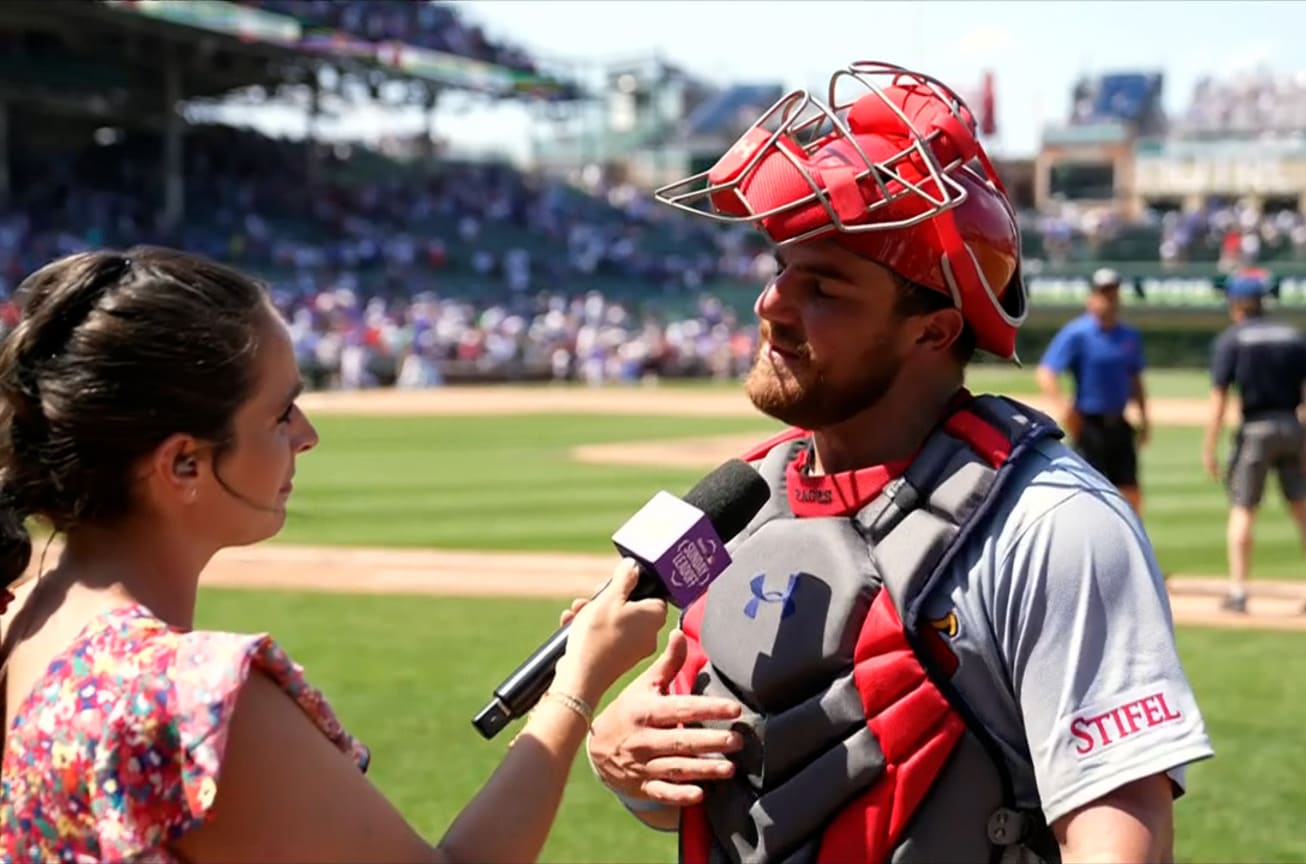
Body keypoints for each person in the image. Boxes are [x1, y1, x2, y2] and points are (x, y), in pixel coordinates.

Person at [588, 61, 1214, 864]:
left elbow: (1118, 831)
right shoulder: (742, 501)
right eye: (782, 270)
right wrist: (621, 753)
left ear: (933, 331)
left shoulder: (1051, 526)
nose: (771, 305)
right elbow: (762, 775)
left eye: (825, 287)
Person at [0, 246, 671, 861]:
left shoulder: (19, 627)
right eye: (281, 413)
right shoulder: (183, 697)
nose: (308, 434)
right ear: (183, 464)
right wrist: (576, 686)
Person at [1201, 269, 1306, 614]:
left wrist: (1209, 445)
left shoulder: (1232, 339)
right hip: (1292, 425)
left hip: (1255, 430)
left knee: (1243, 509)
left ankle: (1239, 591)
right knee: (1302, 508)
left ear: (1237, 304)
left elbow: (1219, 399)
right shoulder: (1294, 337)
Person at [1035, 267, 1151, 515]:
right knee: (1088, 491)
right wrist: (1065, 408)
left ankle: (1132, 539)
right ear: (1091, 298)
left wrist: (1144, 417)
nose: (1109, 300)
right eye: (1103, 294)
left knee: (1130, 489)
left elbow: (1135, 378)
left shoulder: (1128, 335)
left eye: (1113, 294)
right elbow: (1046, 372)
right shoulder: (1078, 333)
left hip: (1119, 422)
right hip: (1089, 424)